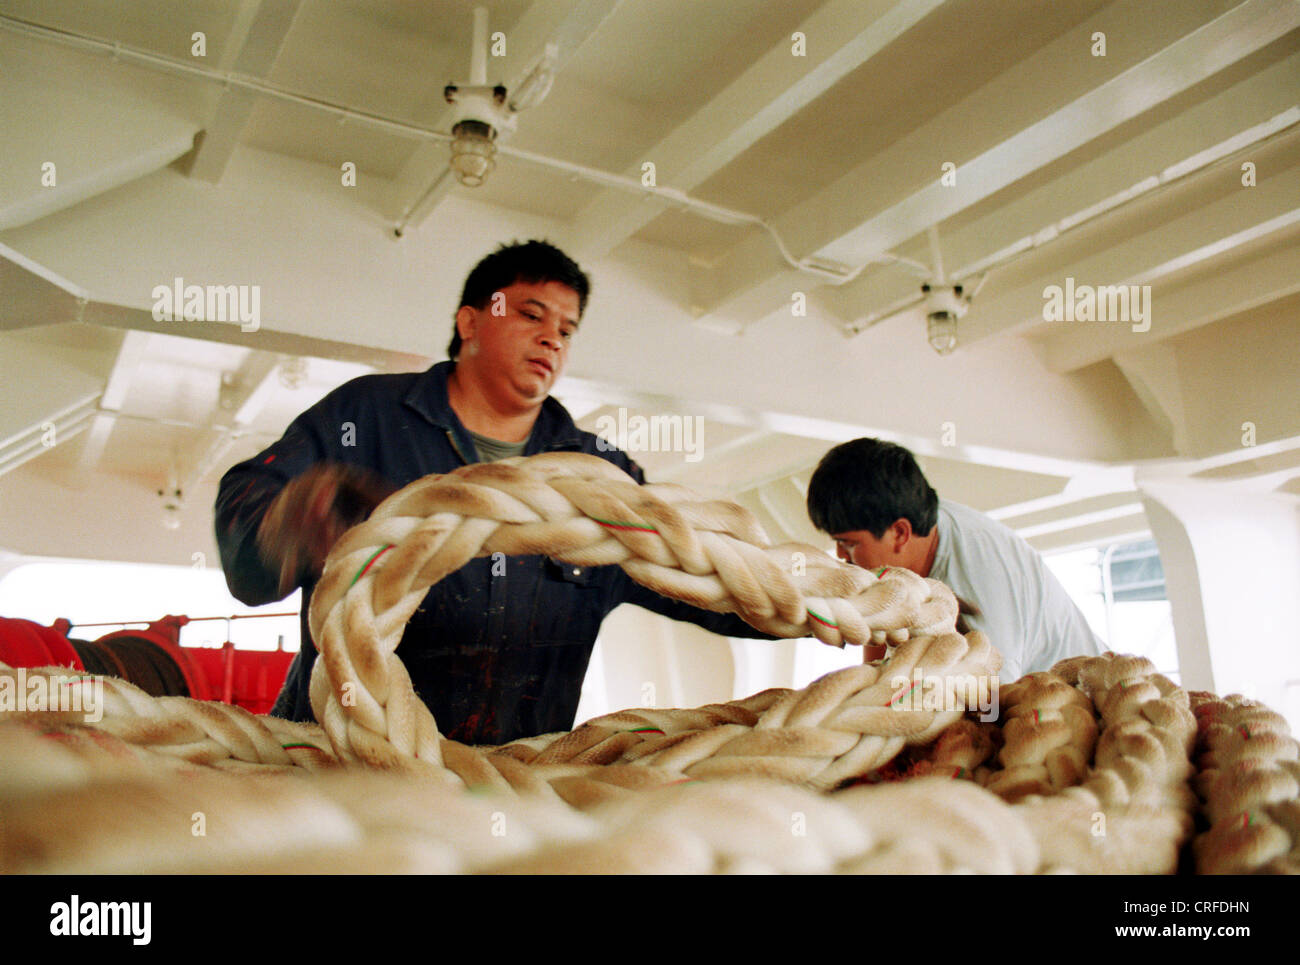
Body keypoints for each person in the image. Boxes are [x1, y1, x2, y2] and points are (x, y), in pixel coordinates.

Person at [215, 240, 771, 745]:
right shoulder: (365, 418)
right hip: (341, 765)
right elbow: (249, 555)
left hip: (505, 794)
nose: (552, 336)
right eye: (531, 314)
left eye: (567, 329)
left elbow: (709, 577)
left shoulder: (600, 474)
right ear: (470, 322)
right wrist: (289, 521)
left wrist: (833, 599)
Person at [804, 438, 1102, 680]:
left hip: (1077, 702)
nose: (842, 556)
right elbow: (881, 631)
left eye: (849, 543)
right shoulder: (913, 518)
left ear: (899, 533)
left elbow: (991, 703)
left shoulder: (980, 580)